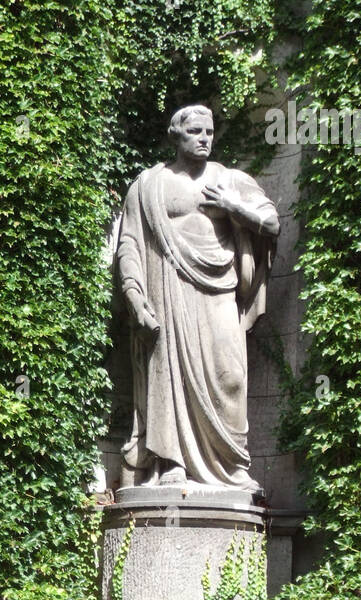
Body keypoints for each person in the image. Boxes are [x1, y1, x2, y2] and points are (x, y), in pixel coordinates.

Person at [117, 104, 279, 491]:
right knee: (167, 375)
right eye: (196, 132)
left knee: (232, 375)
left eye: (209, 131)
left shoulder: (229, 179)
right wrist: (134, 293)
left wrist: (233, 207)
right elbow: (130, 243)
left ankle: (233, 463)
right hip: (168, 293)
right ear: (176, 136)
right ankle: (172, 461)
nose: (205, 138)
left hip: (220, 290)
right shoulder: (149, 185)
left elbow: (271, 224)